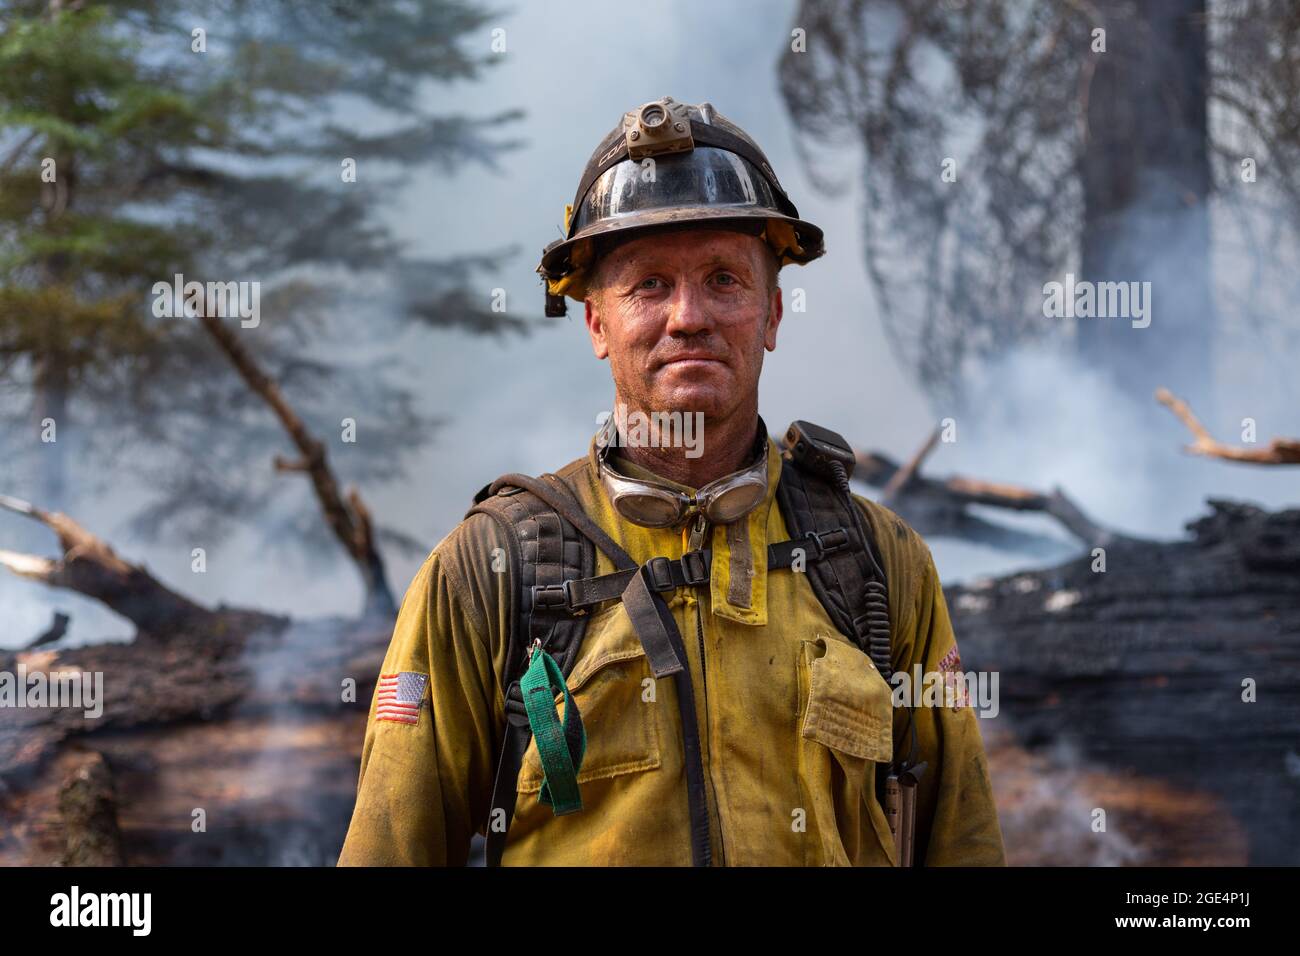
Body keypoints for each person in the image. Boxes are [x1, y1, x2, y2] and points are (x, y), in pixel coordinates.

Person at [338, 97, 1005, 866]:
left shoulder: (880, 565)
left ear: (773, 316)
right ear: (595, 325)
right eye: (649, 285)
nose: (689, 316)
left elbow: (963, 841)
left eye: (724, 279)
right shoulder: (487, 569)